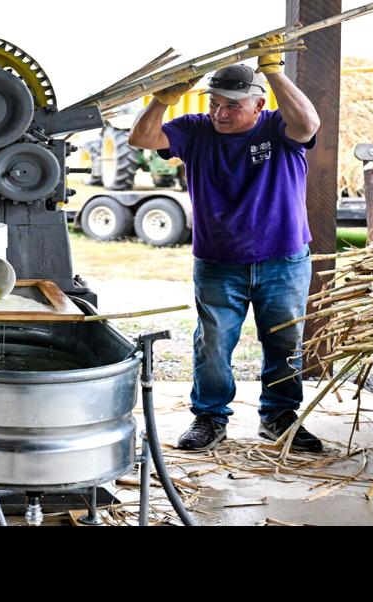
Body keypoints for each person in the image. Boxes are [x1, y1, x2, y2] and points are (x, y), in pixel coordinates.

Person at [129, 40, 325, 453]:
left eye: (232, 105)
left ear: (258, 105)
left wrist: (273, 69)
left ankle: (279, 416)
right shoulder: (196, 130)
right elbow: (141, 139)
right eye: (216, 102)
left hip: (284, 258)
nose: (220, 112)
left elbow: (309, 124)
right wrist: (162, 100)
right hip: (218, 261)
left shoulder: (278, 127)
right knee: (213, 343)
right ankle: (210, 417)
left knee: (285, 342)